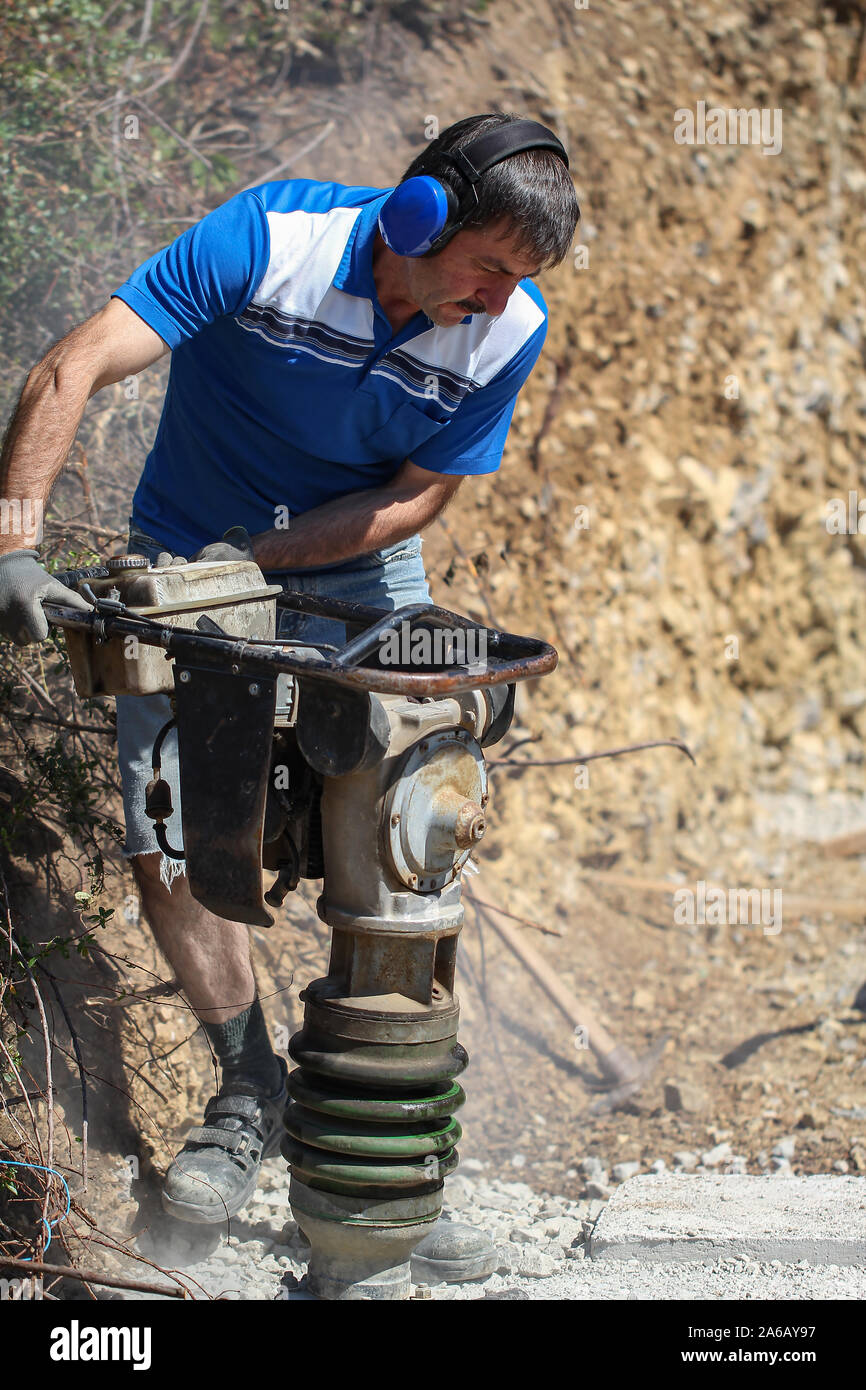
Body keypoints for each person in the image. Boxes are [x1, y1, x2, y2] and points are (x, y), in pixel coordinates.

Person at [0, 112, 580, 1283]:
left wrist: (250, 569)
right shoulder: (271, 239)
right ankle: (245, 1088)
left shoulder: (506, 329)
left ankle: (377, 1160)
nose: (494, 298)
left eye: (516, 281)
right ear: (421, 215)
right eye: (487, 266)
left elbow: (416, 500)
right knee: (172, 839)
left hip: (358, 565)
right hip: (182, 551)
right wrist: (13, 542)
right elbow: (73, 363)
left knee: (396, 851)